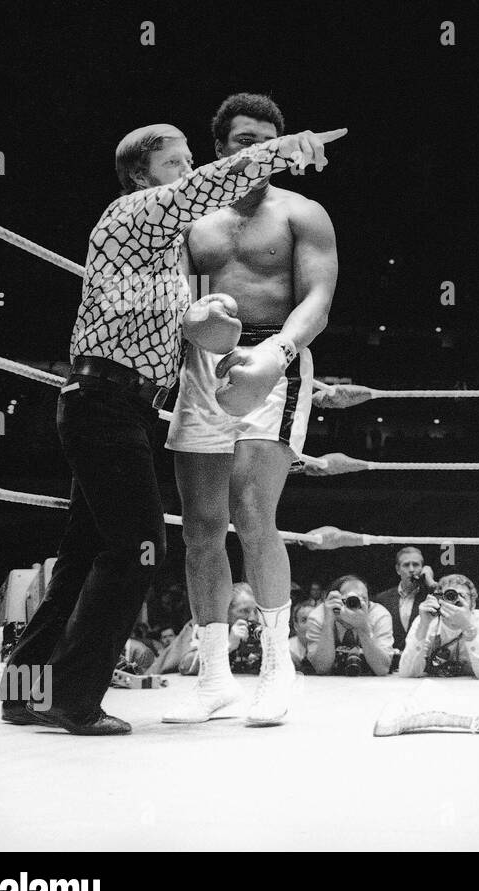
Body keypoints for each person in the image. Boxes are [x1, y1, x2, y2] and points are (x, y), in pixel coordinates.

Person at [1, 120, 344, 735]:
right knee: (142, 547)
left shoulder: (171, 246)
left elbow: (182, 312)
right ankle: (75, 697)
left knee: (82, 552)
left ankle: (25, 689)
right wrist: (285, 150)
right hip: (107, 400)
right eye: (176, 163)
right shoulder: (142, 211)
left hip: (123, 400)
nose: (187, 174)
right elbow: (205, 191)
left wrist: (230, 329)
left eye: (190, 162)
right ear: (142, 175)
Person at [164, 94, 339, 727]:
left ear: (283, 145)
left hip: (276, 359)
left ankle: (276, 669)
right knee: (199, 526)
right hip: (203, 363)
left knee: (251, 514)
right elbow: (173, 300)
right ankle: (213, 677)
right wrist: (192, 328)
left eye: (266, 138)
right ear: (220, 149)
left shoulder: (303, 212)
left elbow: (317, 299)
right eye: (241, 139)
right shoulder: (191, 221)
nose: (253, 148)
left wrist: (276, 355)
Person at [394, 575, 479, 679]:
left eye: (462, 596)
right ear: (439, 599)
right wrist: (423, 626)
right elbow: (407, 673)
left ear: (473, 604)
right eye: (449, 596)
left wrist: (467, 627)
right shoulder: (426, 620)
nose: (455, 601)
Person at [304, 575, 394, 676]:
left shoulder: (379, 615)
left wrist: (362, 627)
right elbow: (321, 668)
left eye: (364, 599)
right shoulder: (319, 616)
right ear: (336, 600)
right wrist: (328, 623)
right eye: (350, 599)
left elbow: (382, 669)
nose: (357, 604)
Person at [371, 547, 435, 658]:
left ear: (422, 568)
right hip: (391, 663)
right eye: (406, 565)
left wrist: (430, 581)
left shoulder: (431, 596)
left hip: (421, 661)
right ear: (397, 569)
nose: (411, 569)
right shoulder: (382, 599)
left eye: (416, 565)